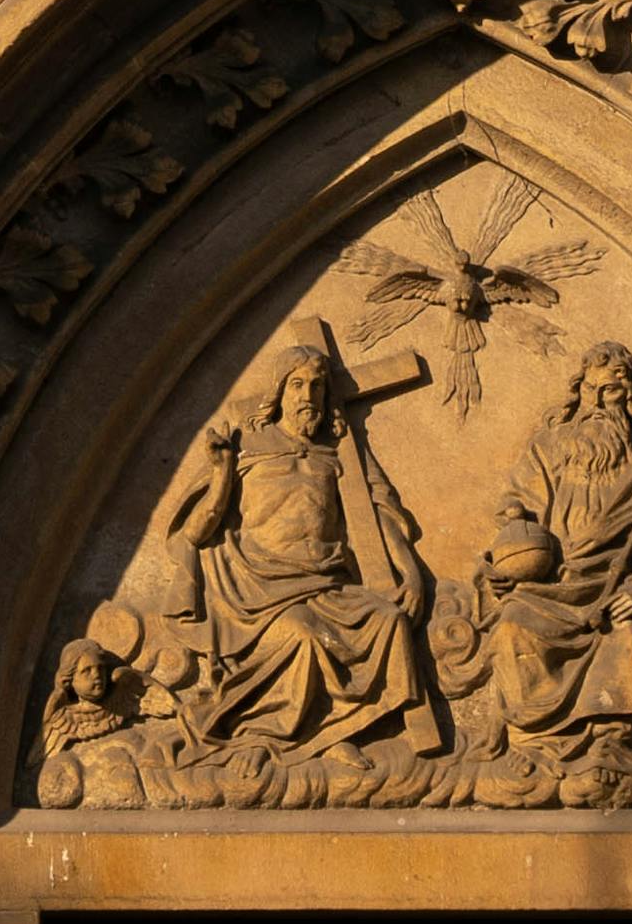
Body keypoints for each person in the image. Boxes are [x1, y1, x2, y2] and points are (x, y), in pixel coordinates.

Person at [134, 318, 444, 756]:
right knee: (302, 635)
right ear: (278, 392)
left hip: (328, 584)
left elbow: (381, 515)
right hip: (259, 592)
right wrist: (222, 473)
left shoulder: (342, 455)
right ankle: (283, 737)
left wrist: (410, 575)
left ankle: (344, 731)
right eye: (297, 385)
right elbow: (198, 531)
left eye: (317, 386)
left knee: (390, 621)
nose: (308, 396)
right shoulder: (248, 448)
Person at [451, 346, 632, 751]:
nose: (600, 402)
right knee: (513, 622)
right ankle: (533, 738)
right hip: (553, 586)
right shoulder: (547, 450)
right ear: (578, 391)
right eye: (592, 390)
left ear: (631, 398)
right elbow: (514, 520)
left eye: (613, 392)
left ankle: (614, 734)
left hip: (623, 584)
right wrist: (507, 558)